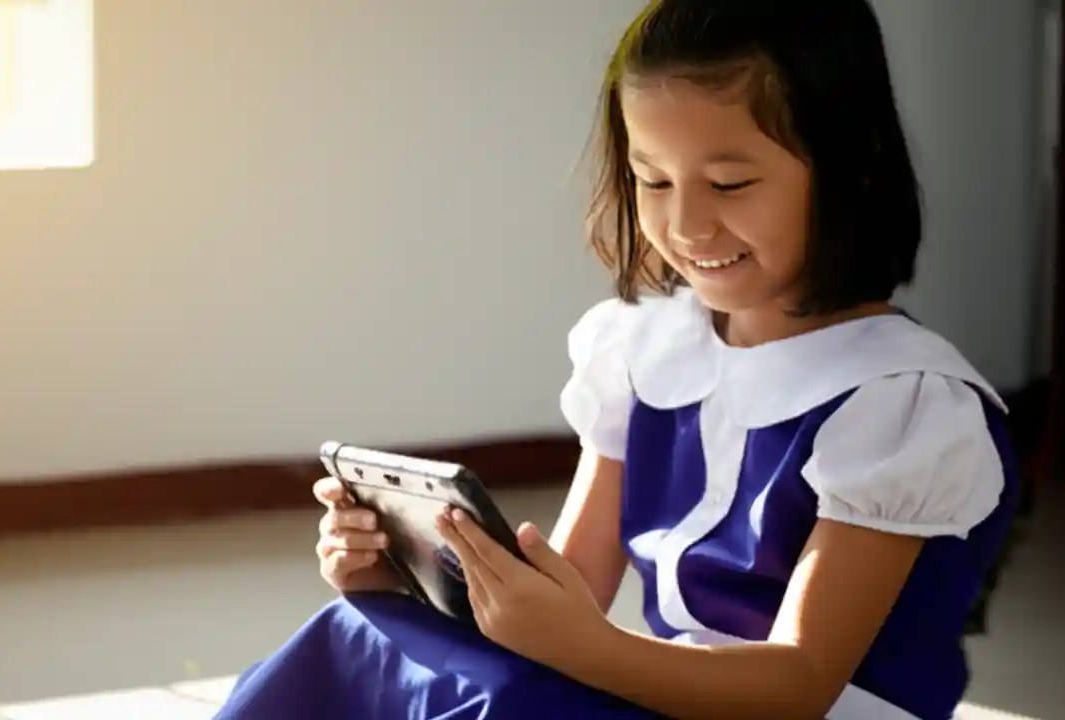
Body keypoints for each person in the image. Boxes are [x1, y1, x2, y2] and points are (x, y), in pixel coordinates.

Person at [214, 0, 1018, 718]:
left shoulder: (902, 402)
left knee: (523, 700)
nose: (688, 226)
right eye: (652, 180)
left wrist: (580, 651)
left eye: (731, 183)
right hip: (666, 691)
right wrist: (413, 580)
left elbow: (799, 686)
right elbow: (575, 587)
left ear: (851, 167)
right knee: (363, 631)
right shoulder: (645, 349)